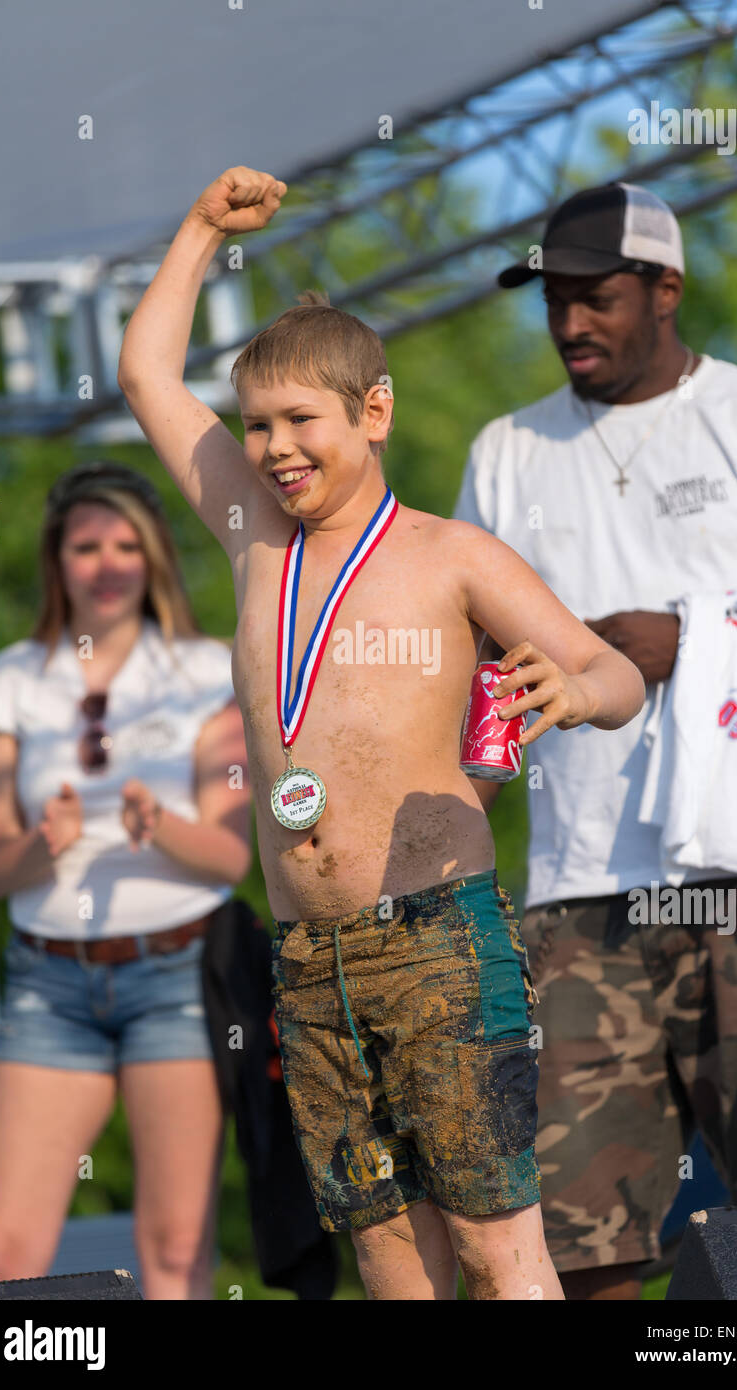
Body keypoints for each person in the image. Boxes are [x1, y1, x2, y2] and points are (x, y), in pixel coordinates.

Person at [116, 163, 646, 1301]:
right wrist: (202, 226)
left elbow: (612, 672)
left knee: (501, 1251)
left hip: (437, 944)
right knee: (389, 1259)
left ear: (374, 410)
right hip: (309, 960)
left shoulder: (453, 555)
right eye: (255, 427)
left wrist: (573, 690)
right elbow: (146, 372)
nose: (272, 449)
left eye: (299, 420)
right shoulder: (253, 537)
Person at [453, 181, 737, 1300]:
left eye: (595, 297)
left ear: (664, 287)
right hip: (577, 893)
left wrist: (689, 639)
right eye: (554, 300)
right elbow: (465, 662)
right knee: (571, 1239)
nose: (569, 323)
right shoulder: (506, 451)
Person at [0, 461, 251, 1300]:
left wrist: (159, 827)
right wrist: (42, 847)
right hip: (49, 983)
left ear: (156, 555)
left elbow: (232, 856)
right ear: (57, 558)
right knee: (3, 1254)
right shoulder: (8, 681)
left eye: (128, 543)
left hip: (177, 975)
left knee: (174, 1251)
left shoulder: (208, 671)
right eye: (87, 545)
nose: (108, 563)